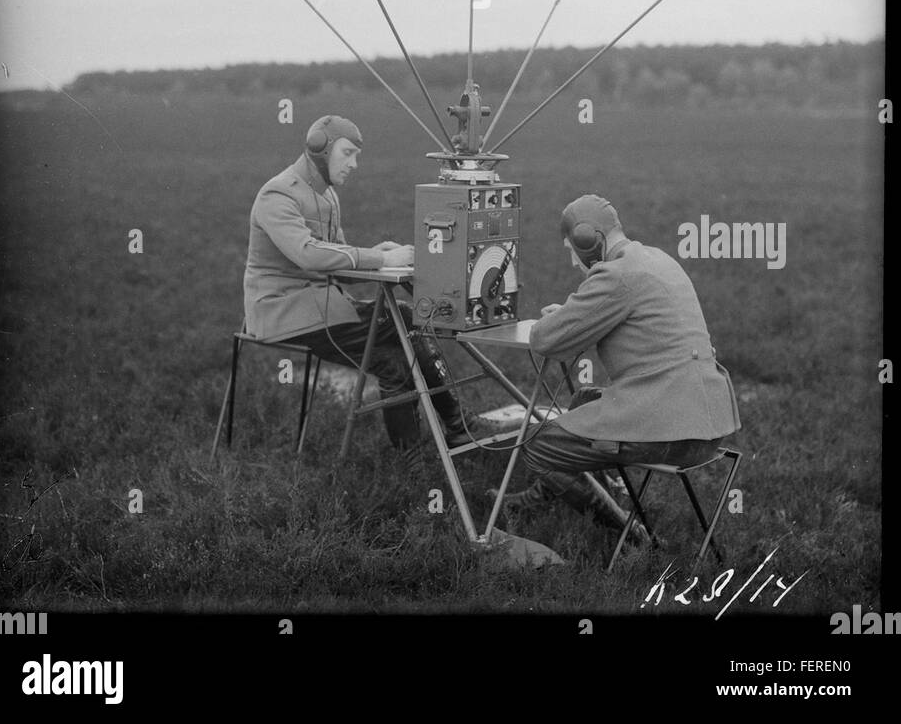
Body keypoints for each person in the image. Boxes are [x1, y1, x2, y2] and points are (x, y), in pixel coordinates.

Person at [243, 113, 469, 463]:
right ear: (320, 149)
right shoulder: (278, 194)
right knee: (405, 328)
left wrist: (379, 252)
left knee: (400, 347)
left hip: (322, 308)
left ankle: (432, 446)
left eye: (356, 155)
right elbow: (310, 255)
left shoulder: (328, 195)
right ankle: (450, 432)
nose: (354, 164)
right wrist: (381, 261)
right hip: (285, 313)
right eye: (347, 153)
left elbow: (340, 263)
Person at [498, 194, 740, 517]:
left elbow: (545, 340)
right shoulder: (657, 259)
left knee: (535, 446)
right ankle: (543, 496)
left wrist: (557, 321)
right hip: (710, 424)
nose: (573, 262)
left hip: (672, 433)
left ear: (588, 240)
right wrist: (575, 316)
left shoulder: (615, 274)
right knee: (584, 399)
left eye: (572, 250)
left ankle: (626, 530)